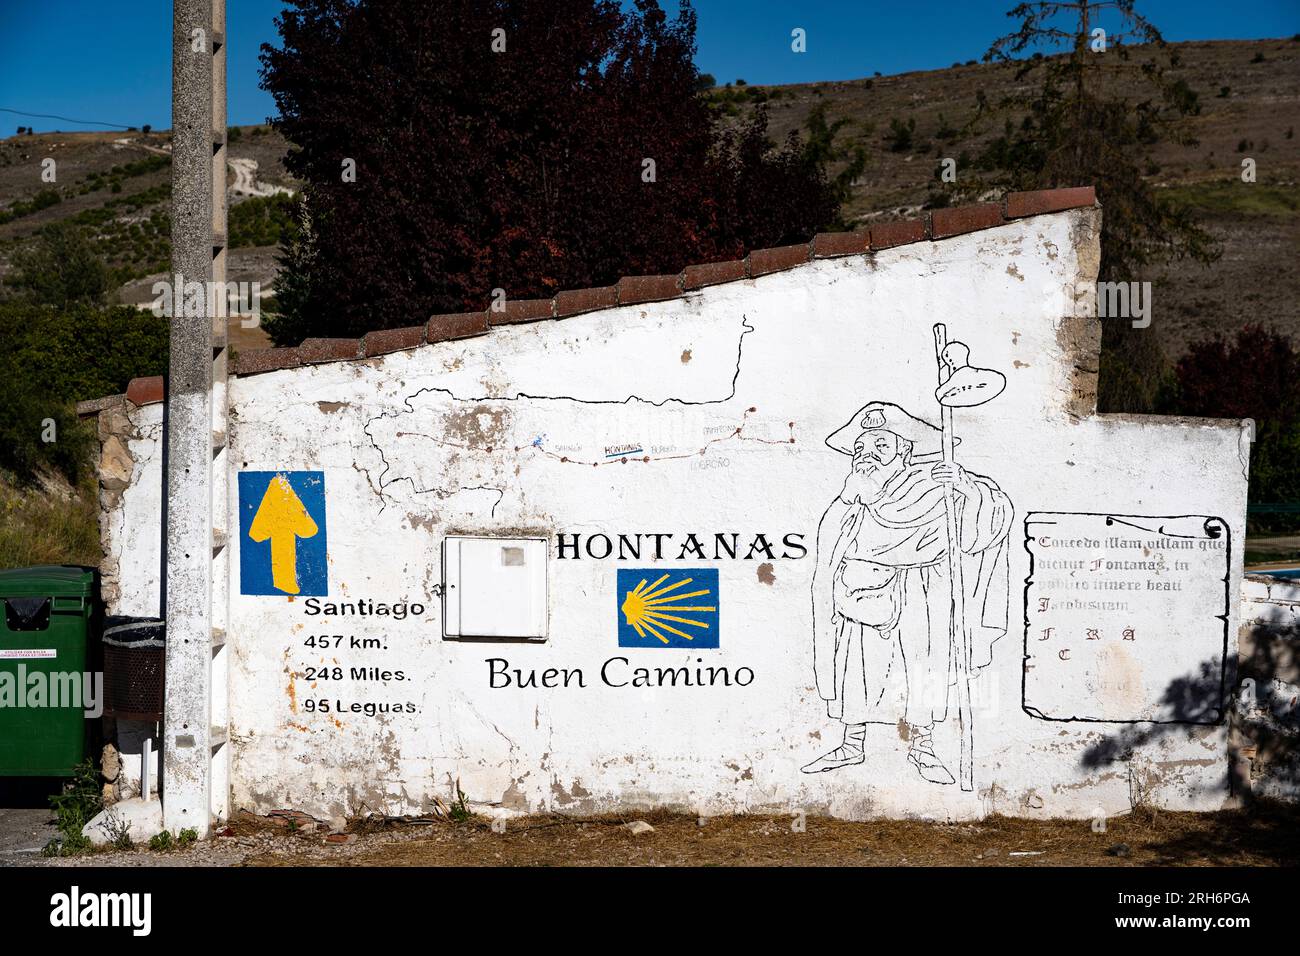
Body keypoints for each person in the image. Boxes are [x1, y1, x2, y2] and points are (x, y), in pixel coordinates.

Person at [802, 402, 1012, 784]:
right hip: (863, 596)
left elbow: (990, 522)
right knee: (858, 670)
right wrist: (848, 501)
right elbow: (831, 538)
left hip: (922, 594)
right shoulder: (856, 494)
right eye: (861, 448)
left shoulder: (936, 486)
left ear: (905, 451)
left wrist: (965, 485)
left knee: (922, 668)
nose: (867, 455)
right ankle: (851, 743)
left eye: (880, 446)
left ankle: (923, 747)